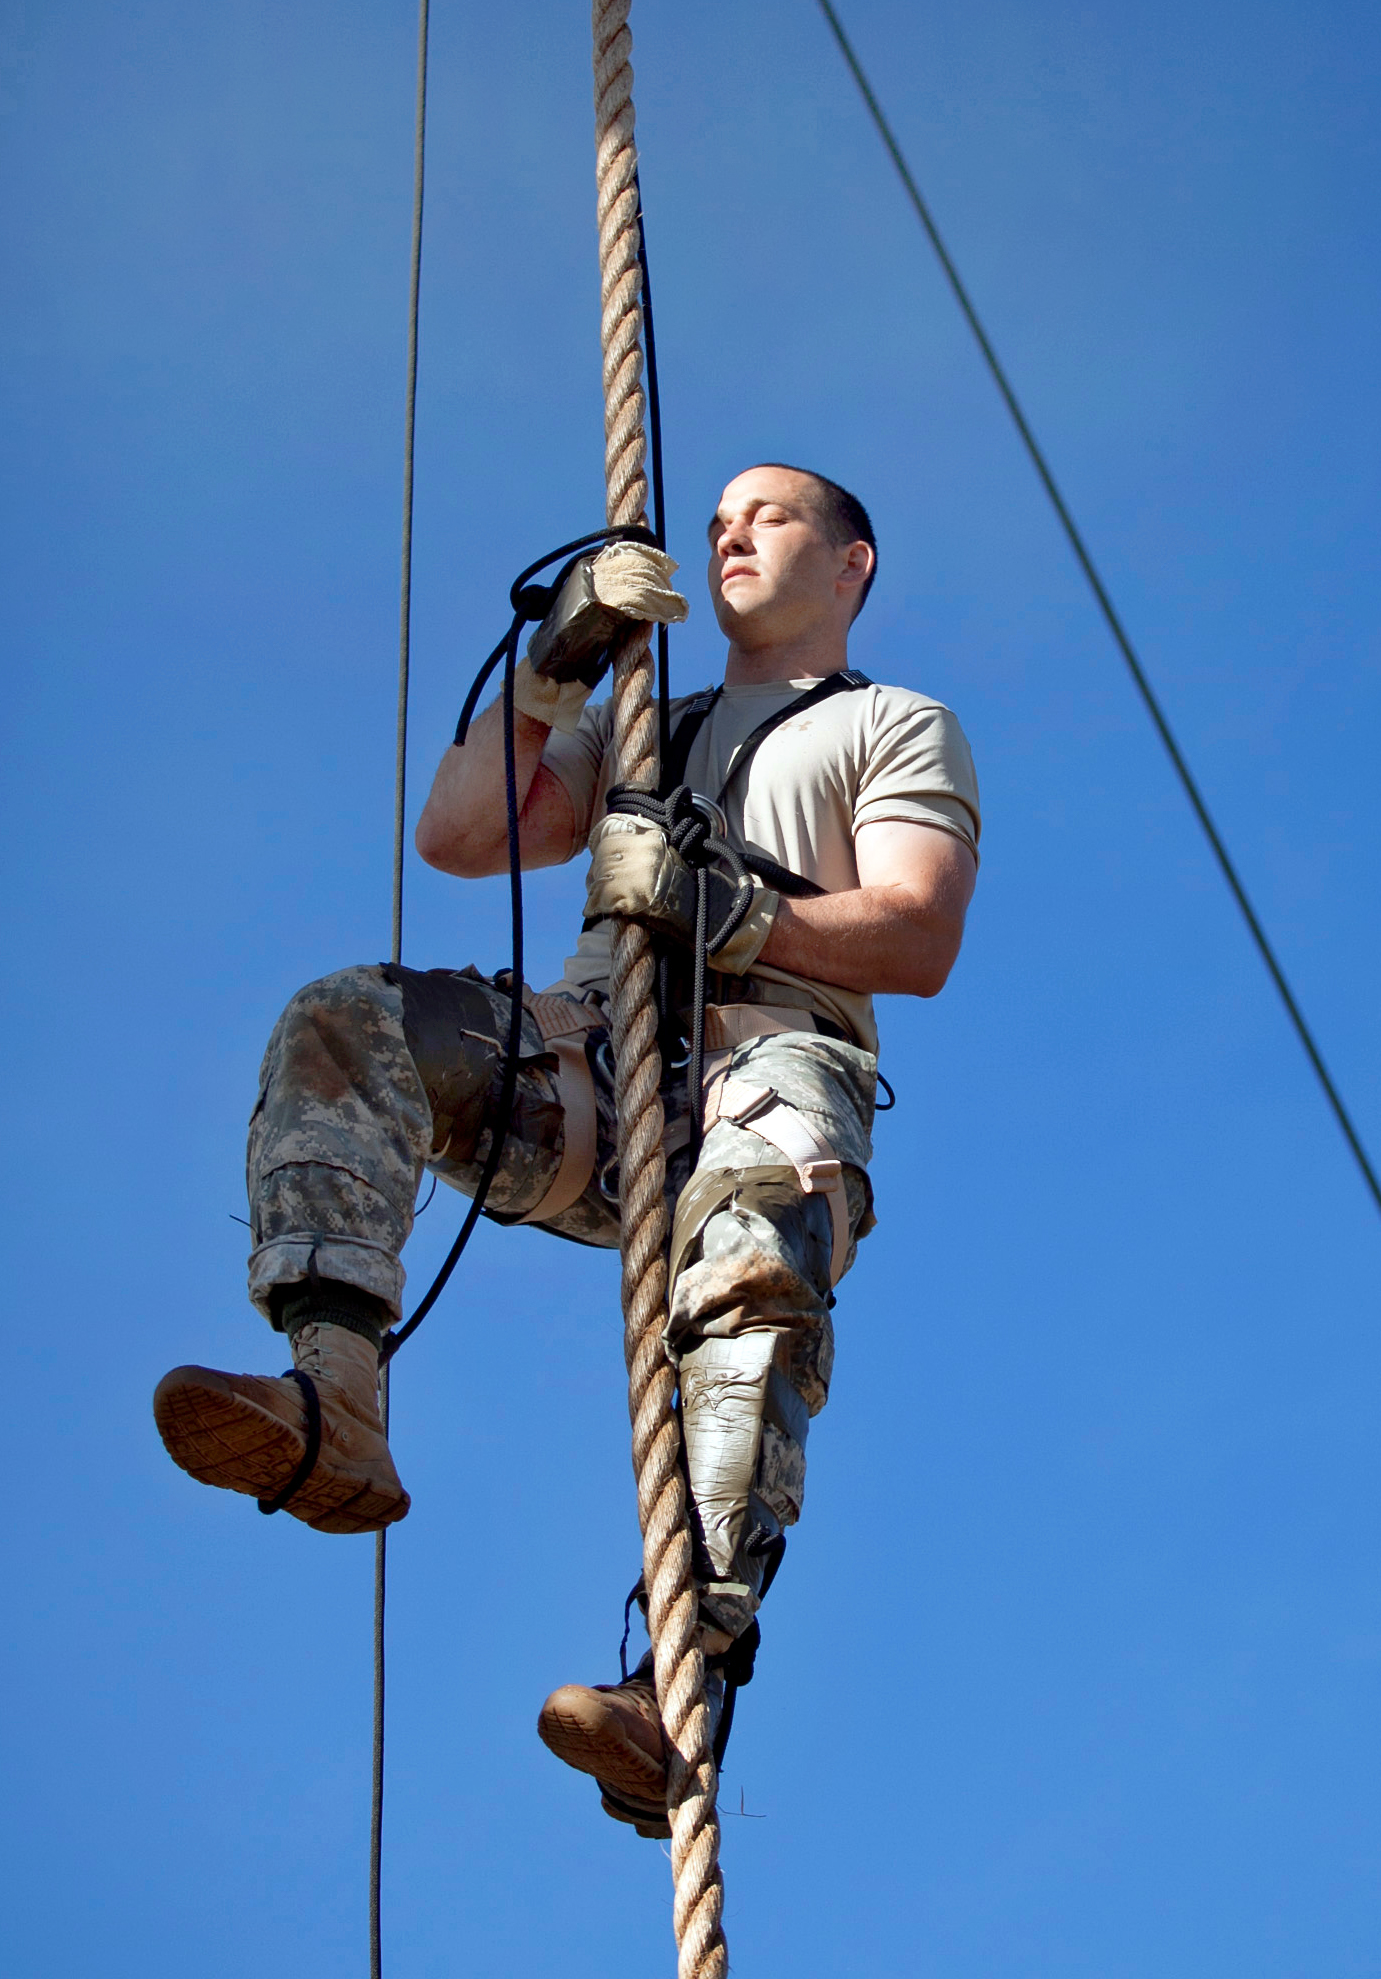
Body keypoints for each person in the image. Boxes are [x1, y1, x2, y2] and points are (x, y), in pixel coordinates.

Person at [153, 463, 980, 1835]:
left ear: (852, 565)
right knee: (351, 1023)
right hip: (587, 1066)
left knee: (756, 1272)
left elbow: (916, 934)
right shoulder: (653, 727)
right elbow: (462, 835)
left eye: (768, 516)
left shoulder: (891, 725)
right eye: (715, 521)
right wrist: (557, 673)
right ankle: (333, 1398)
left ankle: (677, 1687)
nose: (729, 534)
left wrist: (728, 918)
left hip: (761, 1067)